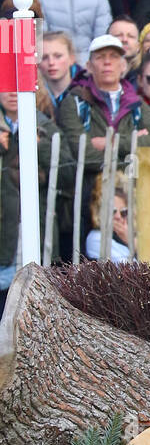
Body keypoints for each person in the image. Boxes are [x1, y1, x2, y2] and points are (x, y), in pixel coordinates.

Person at [57, 32, 150, 178]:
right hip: (90, 190)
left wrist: (109, 142)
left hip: (134, 189)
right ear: (89, 66)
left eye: (114, 56)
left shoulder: (138, 104)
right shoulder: (74, 102)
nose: (107, 62)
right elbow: (82, 153)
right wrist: (130, 149)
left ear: (123, 65)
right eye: (100, 57)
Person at [0, 85, 70, 291]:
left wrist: (40, 145)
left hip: (37, 238)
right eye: (5, 86)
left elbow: (68, 176)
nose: (13, 93)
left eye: (17, 87)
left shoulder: (47, 128)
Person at [84, 180, 133, 263]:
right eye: (113, 211)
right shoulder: (97, 238)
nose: (118, 217)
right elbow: (130, 268)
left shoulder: (126, 236)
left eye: (123, 212)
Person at [39, 29, 79, 109]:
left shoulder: (87, 90)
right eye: (44, 57)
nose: (51, 62)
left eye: (58, 56)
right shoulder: (32, 96)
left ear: (72, 58)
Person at [108, 16, 141, 84]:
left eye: (131, 36)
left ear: (138, 46)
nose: (124, 40)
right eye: (118, 35)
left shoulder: (148, 79)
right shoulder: (91, 80)